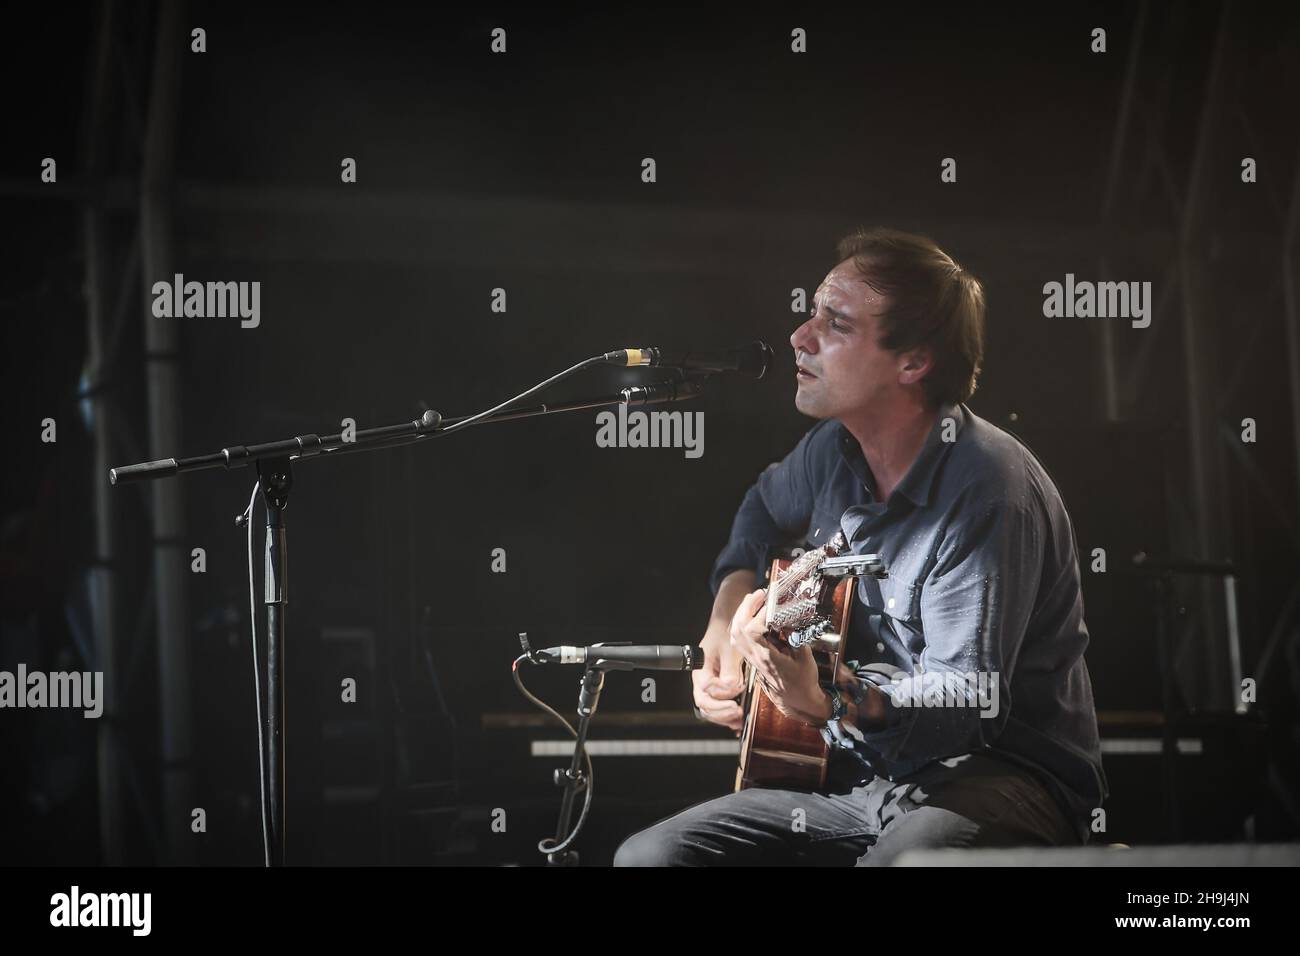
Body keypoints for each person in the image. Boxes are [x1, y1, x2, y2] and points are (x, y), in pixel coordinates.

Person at [614, 227, 1108, 866]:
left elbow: (969, 700)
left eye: (836, 323)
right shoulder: (829, 452)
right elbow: (762, 512)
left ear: (913, 362)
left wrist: (827, 696)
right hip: (855, 777)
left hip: (997, 779)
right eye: (812, 312)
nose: (800, 336)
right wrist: (724, 617)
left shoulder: (988, 490)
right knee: (651, 859)